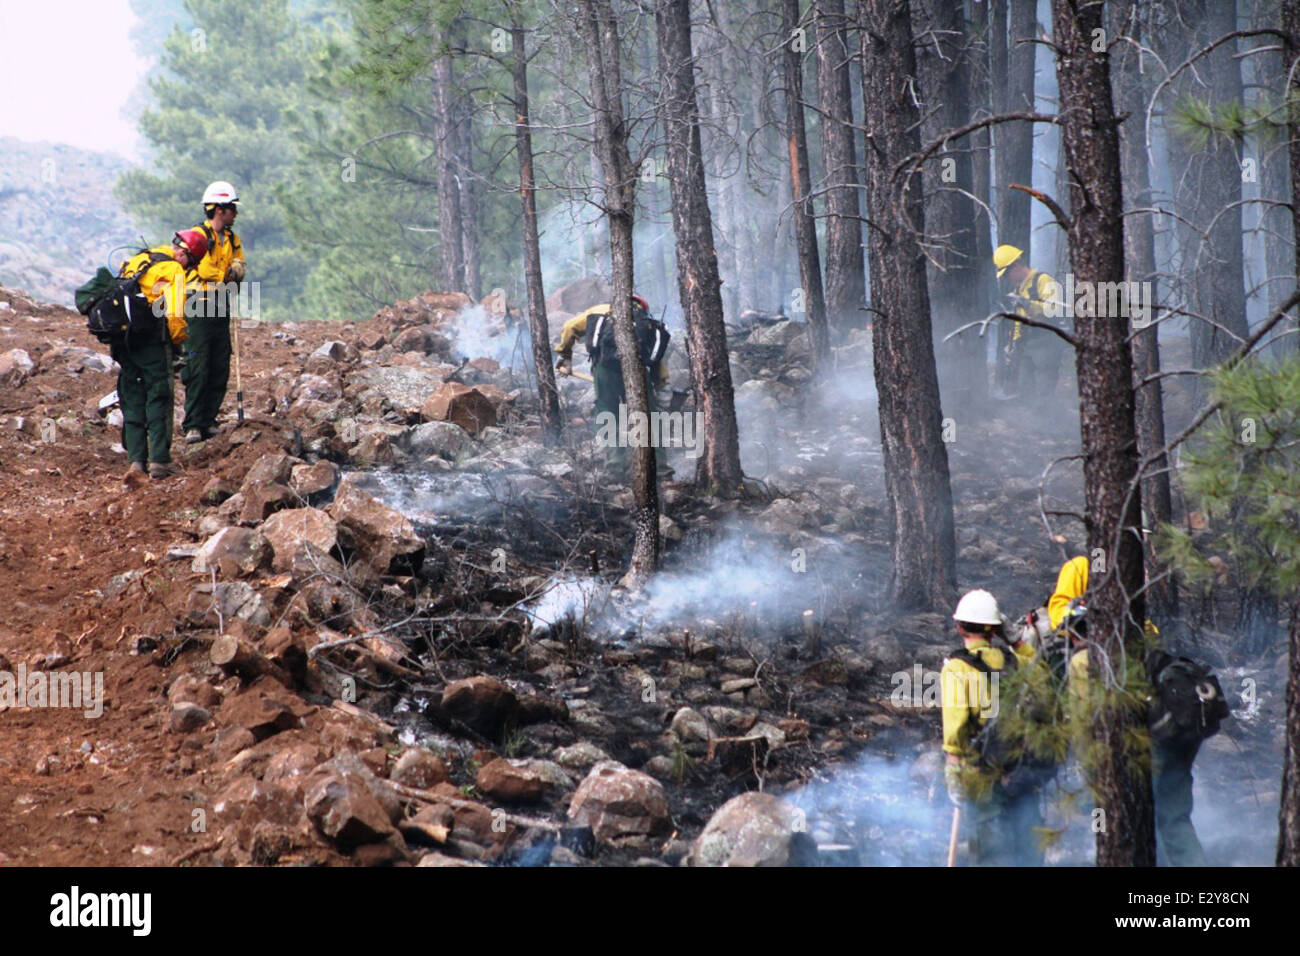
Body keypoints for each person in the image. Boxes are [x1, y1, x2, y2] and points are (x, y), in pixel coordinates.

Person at [1050, 557, 1208, 866]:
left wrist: (1089, 765)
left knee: (1111, 818)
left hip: (1139, 752)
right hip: (1175, 740)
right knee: (1174, 820)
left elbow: (1084, 723)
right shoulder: (1147, 645)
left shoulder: (1087, 662)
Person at [941, 588, 1042, 865]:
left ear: (959, 626)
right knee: (1028, 849)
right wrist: (1017, 641)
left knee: (990, 853)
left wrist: (953, 771)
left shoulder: (957, 668)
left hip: (981, 772)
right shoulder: (1015, 661)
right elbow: (1043, 670)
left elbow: (956, 729)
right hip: (1021, 770)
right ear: (995, 630)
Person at [114, 229, 208, 480]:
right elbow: (175, 315)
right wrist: (178, 342)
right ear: (184, 253)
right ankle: (159, 461)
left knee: (132, 396)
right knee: (159, 396)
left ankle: (136, 461)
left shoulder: (139, 259)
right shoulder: (174, 269)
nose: (189, 268)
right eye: (192, 262)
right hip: (152, 342)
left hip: (124, 342)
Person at [553, 294, 669, 471]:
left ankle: (615, 464)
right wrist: (660, 384)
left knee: (607, 412)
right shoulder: (646, 320)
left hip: (605, 368)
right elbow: (656, 358)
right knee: (648, 416)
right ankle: (659, 467)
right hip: (638, 370)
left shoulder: (599, 311)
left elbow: (569, 327)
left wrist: (565, 356)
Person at [182, 180, 246, 444]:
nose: (235, 213)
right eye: (232, 208)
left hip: (220, 303)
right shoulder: (199, 237)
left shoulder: (232, 238)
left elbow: (238, 262)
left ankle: (209, 419)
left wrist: (237, 271)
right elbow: (206, 269)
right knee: (199, 363)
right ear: (220, 209)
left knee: (220, 363)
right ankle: (193, 423)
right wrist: (227, 275)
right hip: (198, 303)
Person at [992, 244, 1063, 397]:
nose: (1006, 278)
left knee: (1043, 394)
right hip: (1026, 346)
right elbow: (1019, 322)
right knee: (1026, 393)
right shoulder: (1018, 290)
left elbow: (1054, 309)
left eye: (1006, 274)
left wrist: (1028, 304)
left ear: (1016, 266)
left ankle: (1050, 418)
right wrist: (1013, 345)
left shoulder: (1043, 280)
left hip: (1046, 344)